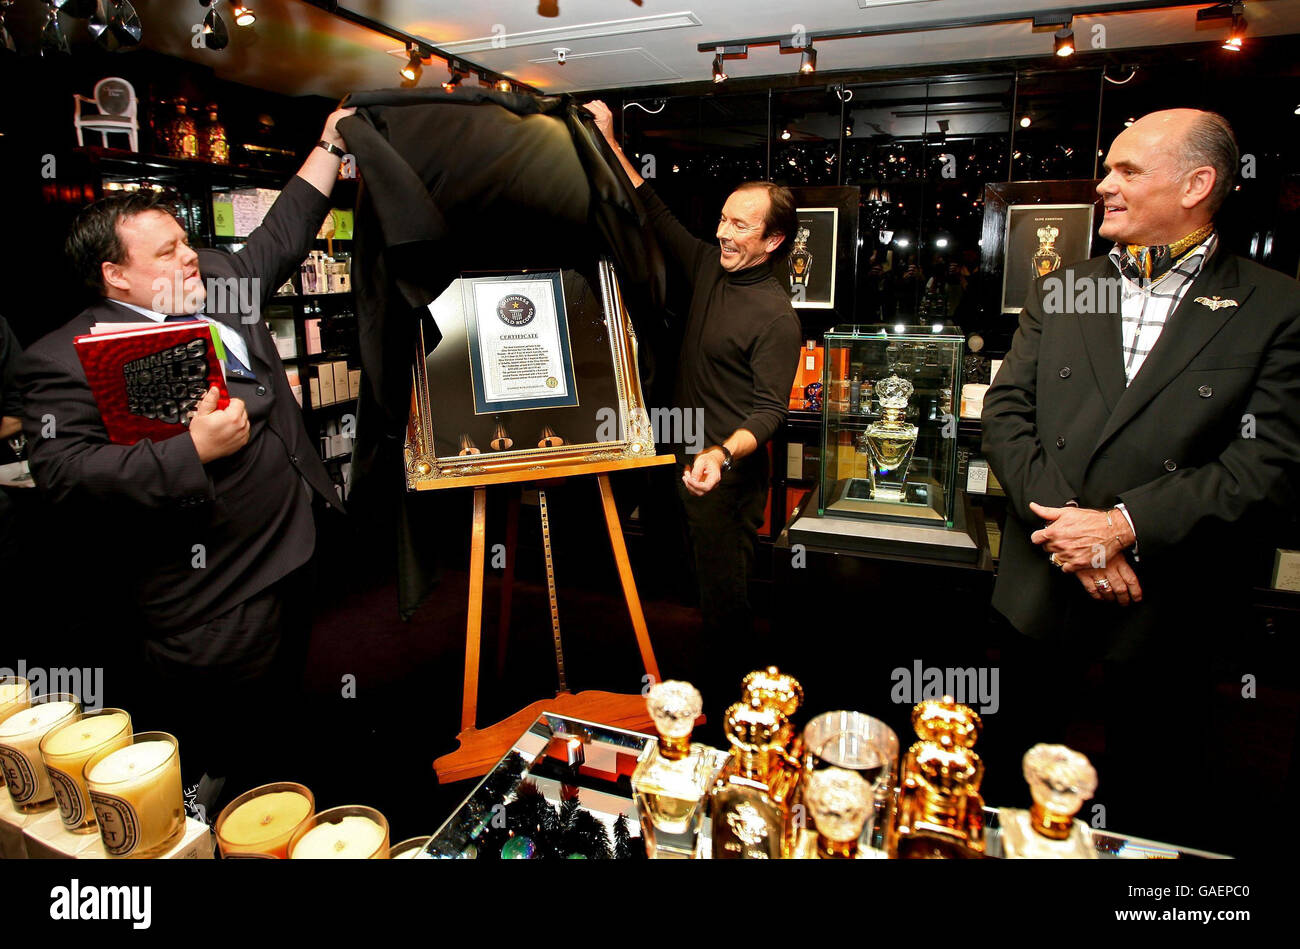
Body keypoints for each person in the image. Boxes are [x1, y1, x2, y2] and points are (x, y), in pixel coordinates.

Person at [17, 108, 356, 820]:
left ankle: (285, 807)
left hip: (292, 553)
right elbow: (67, 477)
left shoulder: (220, 284)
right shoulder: (60, 360)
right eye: (166, 252)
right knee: (223, 747)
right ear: (115, 274)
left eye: (185, 241)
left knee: (285, 715)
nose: (188, 258)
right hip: (212, 596)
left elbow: (285, 230)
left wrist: (330, 141)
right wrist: (190, 450)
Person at [981, 109, 1300, 849]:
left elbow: (1269, 463)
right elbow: (1007, 415)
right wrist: (1076, 533)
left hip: (1169, 602)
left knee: (1154, 794)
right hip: (1043, 583)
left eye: (1127, 170)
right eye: (1108, 168)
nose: (1104, 185)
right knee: (1010, 782)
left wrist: (1123, 528)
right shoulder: (1064, 287)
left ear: (1198, 183)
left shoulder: (1275, 306)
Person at [583, 100, 801, 670]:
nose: (723, 232)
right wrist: (609, 140)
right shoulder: (709, 265)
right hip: (677, 455)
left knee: (725, 607)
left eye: (740, 226)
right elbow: (652, 209)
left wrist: (722, 454)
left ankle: (739, 721)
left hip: (725, 478)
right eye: (724, 219)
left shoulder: (777, 317)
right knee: (680, 592)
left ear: (773, 241)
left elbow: (771, 412)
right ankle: (688, 690)